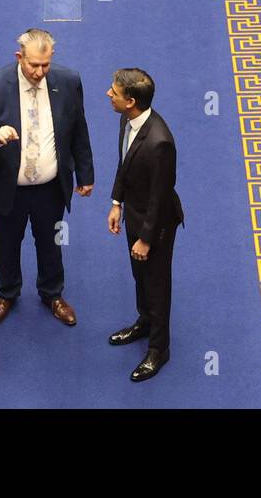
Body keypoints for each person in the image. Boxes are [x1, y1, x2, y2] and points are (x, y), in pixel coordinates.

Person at [0, 29, 95, 327]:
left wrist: (85, 174)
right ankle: (7, 293)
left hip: (51, 188)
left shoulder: (68, 81)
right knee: (7, 243)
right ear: (19, 57)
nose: (39, 72)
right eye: (33, 65)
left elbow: (78, 130)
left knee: (51, 243)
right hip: (7, 190)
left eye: (45, 65)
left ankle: (52, 293)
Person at [106, 68, 183, 382]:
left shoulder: (160, 142)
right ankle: (145, 321)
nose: (108, 94)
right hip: (135, 214)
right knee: (139, 274)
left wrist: (147, 239)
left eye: (114, 92)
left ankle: (158, 349)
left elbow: (160, 197)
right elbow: (125, 163)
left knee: (156, 283)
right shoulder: (128, 119)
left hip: (157, 224)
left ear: (131, 101)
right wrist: (116, 202)